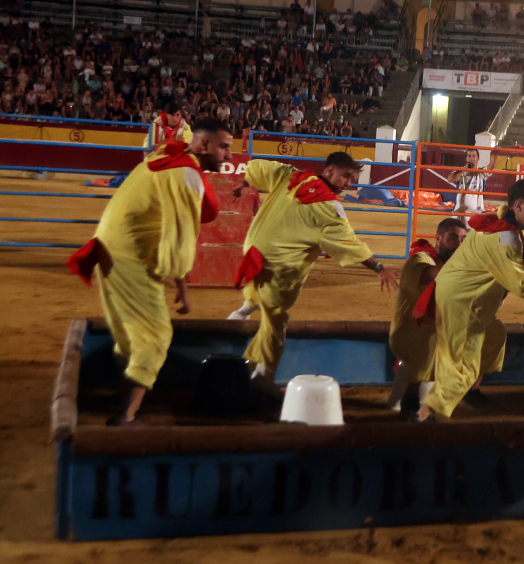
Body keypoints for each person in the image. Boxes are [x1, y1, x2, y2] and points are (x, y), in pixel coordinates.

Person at [66, 119, 233, 425]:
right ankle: (124, 417)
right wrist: (183, 289)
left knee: (131, 334)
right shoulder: (185, 174)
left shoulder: (162, 157)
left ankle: (123, 402)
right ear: (203, 144)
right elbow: (179, 238)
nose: (229, 156)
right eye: (224, 147)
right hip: (132, 256)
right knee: (156, 334)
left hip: (108, 249)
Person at [226, 152, 399, 392]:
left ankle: (242, 312)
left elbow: (258, 168)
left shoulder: (292, 175)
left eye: (353, 178)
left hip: (254, 254)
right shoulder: (329, 208)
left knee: (263, 288)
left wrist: (245, 182)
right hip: (280, 264)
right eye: (345, 176)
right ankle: (263, 376)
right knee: (277, 319)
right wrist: (379, 268)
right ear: (329, 171)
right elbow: (349, 243)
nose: (349, 184)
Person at [416, 178, 524, 421]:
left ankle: (470, 391)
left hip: (464, 298)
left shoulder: (502, 223)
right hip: (463, 303)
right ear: (518, 205)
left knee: (493, 336)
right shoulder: (503, 239)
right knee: (464, 365)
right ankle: (424, 414)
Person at [389, 218, 468, 415]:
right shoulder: (419, 259)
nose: (459, 244)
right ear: (438, 238)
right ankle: (412, 396)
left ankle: (459, 394)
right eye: (453, 238)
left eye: (464, 239)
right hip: (408, 332)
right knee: (433, 336)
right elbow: (433, 274)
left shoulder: (459, 266)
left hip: (438, 329)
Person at [446, 148, 490, 219]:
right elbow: (450, 179)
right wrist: (464, 170)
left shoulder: (481, 172)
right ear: (466, 158)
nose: (471, 158)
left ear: (478, 158)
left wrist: (495, 154)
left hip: (477, 211)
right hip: (460, 210)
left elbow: (491, 166)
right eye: (469, 156)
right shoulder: (460, 171)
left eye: (474, 156)